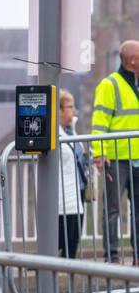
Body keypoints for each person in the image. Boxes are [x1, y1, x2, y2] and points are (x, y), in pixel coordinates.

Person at [91, 41, 139, 264]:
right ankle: (112, 257)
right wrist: (99, 153)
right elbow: (99, 121)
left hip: (137, 157)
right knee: (112, 210)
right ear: (133, 60)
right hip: (117, 158)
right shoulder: (109, 85)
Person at [57, 90, 89, 259]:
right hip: (63, 198)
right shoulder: (55, 134)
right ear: (59, 110)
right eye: (70, 107)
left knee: (74, 240)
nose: (74, 110)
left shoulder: (72, 131)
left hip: (78, 192)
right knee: (64, 241)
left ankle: (68, 276)